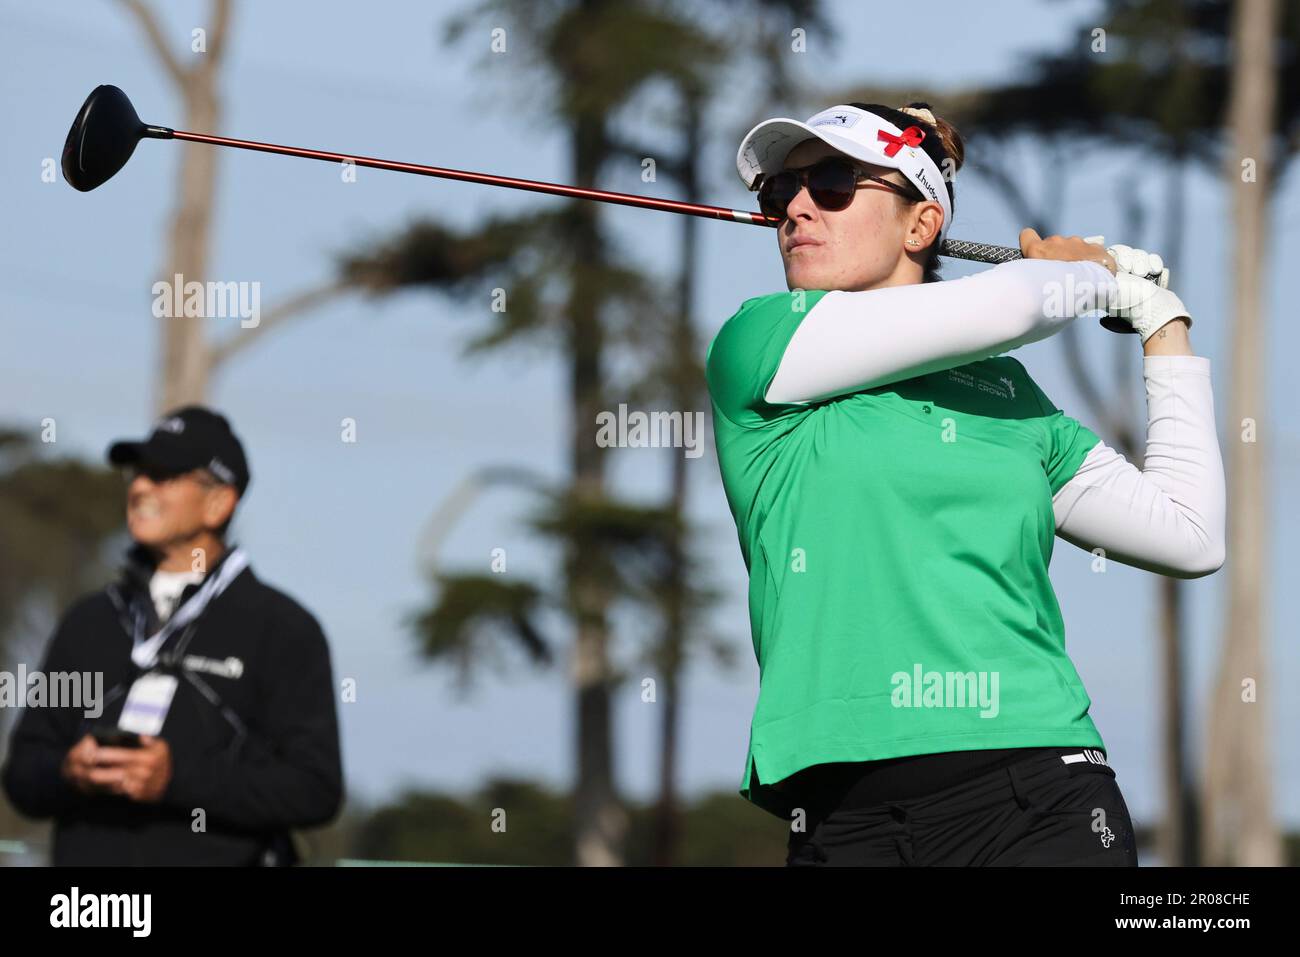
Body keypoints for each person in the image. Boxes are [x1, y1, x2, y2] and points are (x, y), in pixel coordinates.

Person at [707, 102, 1225, 866]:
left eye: (835, 182)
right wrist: (1079, 276)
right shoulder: (759, 342)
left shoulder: (1009, 395)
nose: (798, 208)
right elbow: (1016, 302)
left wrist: (1161, 319)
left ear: (921, 226)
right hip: (841, 819)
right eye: (780, 192)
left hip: (1037, 790)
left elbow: (1191, 534)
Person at [2, 406, 343, 865]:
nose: (140, 486)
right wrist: (69, 771)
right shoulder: (91, 619)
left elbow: (315, 790)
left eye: (164, 475)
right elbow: (23, 772)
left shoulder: (282, 628)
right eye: (139, 472)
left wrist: (175, 779)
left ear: (219, 502)